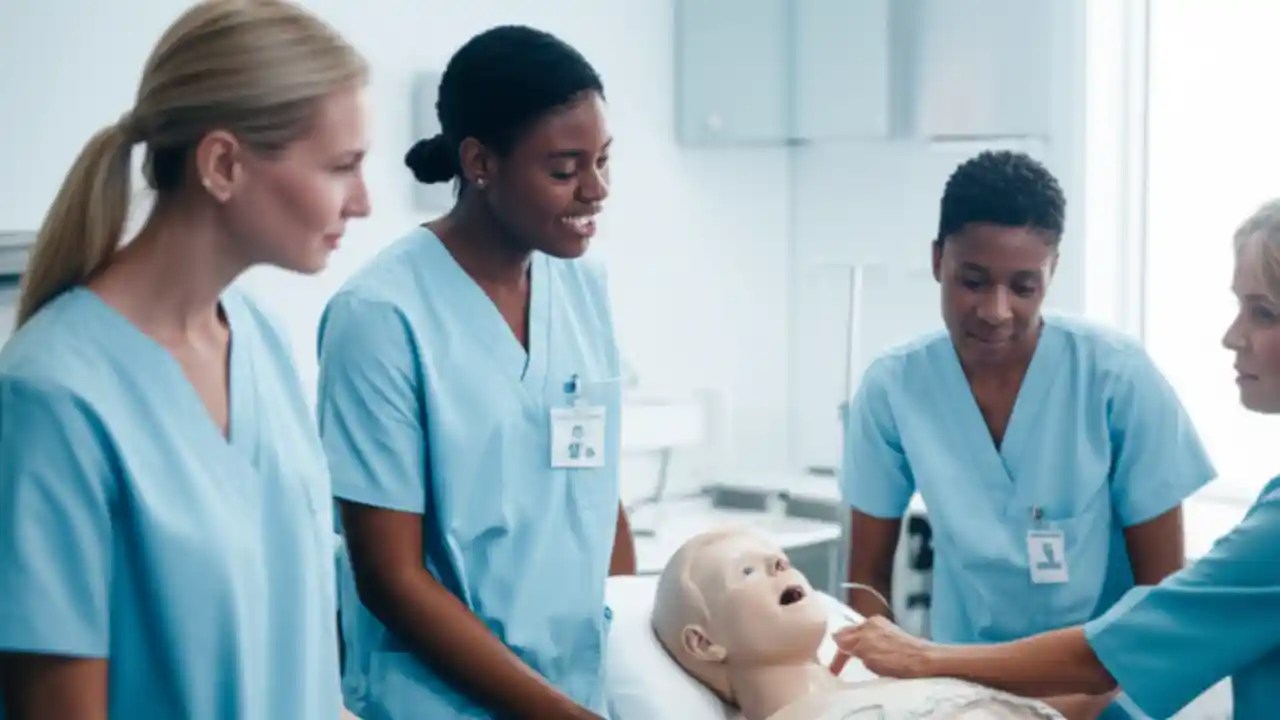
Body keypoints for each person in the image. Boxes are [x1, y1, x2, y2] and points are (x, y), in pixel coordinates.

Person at [0, 2, 370, 719]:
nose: (363, 200)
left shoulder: (259, 338)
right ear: (223, 163)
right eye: (342, 166)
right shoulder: (53, 398)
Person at [832, 198, 1280, 719]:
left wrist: (923, 660)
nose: (1231, 336)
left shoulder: (1115, 377)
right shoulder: (895, 385)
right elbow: (863, 583)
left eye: (1264, 312)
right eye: (973, 280)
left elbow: (1144, 634)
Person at [317, 25, 634, 720]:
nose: (597, 189)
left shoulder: (583, 287)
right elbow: (389, 579)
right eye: (564, 169)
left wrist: (632, 657)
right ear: (480, 162)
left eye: (604, 159)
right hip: (436, 704)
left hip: (579, 691)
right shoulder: (380, 317)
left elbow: (598, 495)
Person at [651, 529, 1104, 720]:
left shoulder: (887, 691)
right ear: (704, 642)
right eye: (747, 572)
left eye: (780, 560)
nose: (778, 563)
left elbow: (1089, 689)